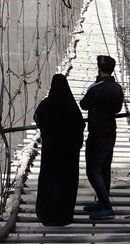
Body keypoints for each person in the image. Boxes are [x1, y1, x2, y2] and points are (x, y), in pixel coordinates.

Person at [33, 73, 85, 226]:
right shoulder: (71, 106)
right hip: (69, 154)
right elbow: (80, 125)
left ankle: (47, 215)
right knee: (66, 183)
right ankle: (64, 216)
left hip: (51, 152)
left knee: (49, 181)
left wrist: (49, 131)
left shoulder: (46, 104)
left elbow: (37, 118)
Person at [79, 54, 124, 220]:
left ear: (99, 69)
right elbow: (117, 109)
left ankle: (106, 207)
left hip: (97, 134)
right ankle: (101, 202)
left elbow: (84, 105)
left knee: (93, 171)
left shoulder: (95, 88)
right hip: (110, 133)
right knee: (104, 169)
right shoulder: (118, 88)